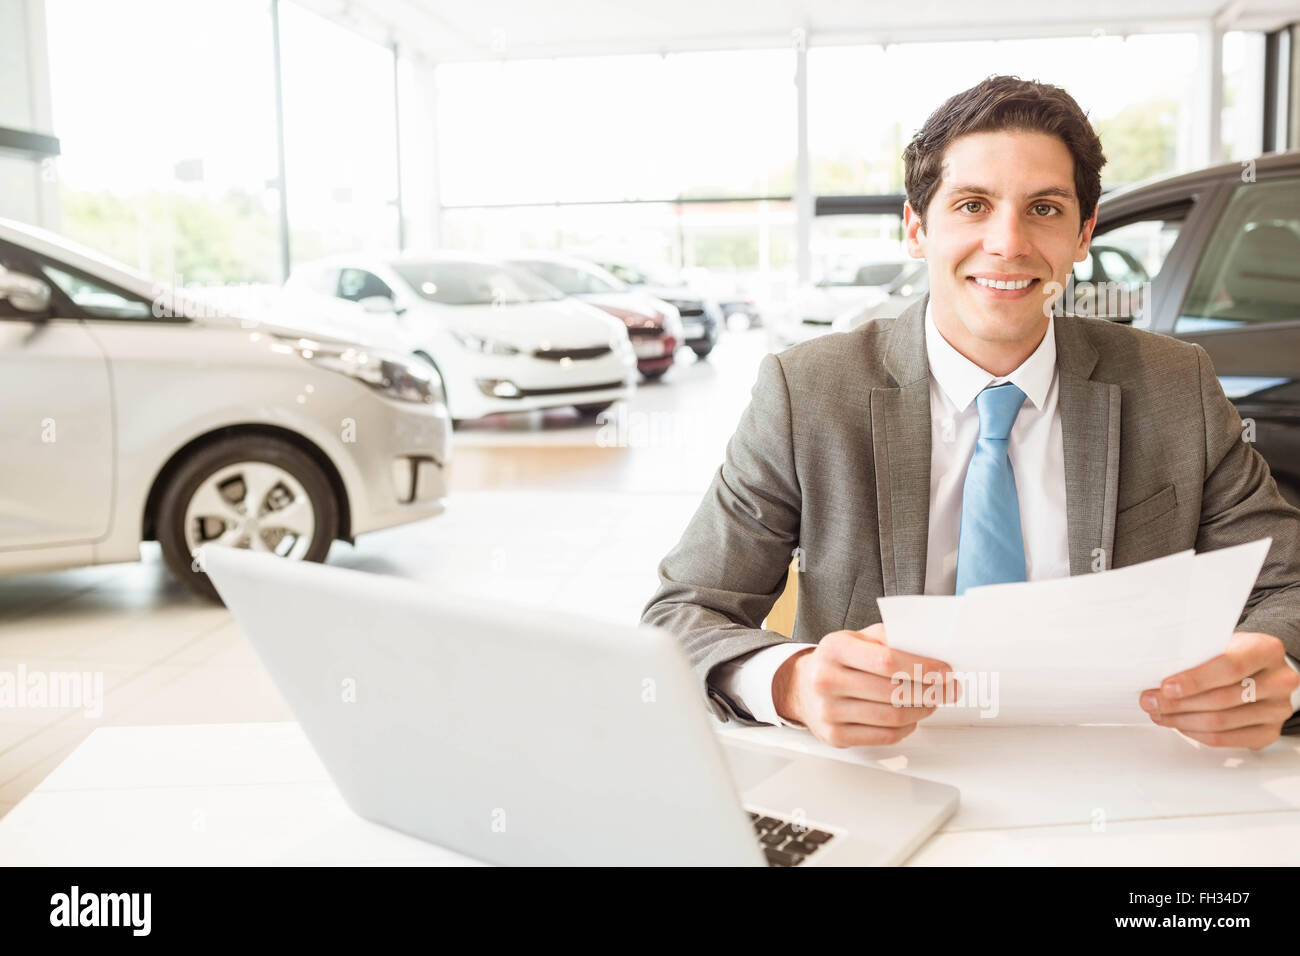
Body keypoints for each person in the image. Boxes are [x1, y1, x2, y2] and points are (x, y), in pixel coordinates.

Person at [640, 75, 1300, 751]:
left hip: (1119, 767)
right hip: (882, 773)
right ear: (917, 228)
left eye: (1044, 209)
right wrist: (791, 683)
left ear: (1084, 234)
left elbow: (1289, 584)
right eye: (973, 205)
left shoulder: (1174, 385)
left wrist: (1276, 670)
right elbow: (681, 614)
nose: (1008, 243)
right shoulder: (805, 392)